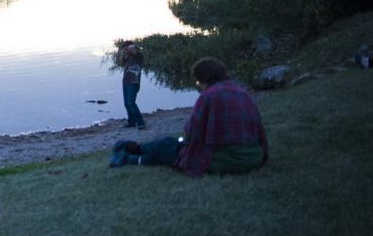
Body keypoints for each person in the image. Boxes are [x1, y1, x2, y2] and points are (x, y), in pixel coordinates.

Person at [110, 57, 268, 177]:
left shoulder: (209, 96)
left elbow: (192, 132)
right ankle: (134, 150)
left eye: (198, 81)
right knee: (171, 144)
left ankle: (129, 156)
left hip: (228, 159)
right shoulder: (242, 92)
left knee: (169, 148)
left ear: (203, 78)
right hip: (255, 156)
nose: (199, 85)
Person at [116, 43, 147, 129]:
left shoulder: (138, 56)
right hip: (126, 82)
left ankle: (141, 123)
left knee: (131, 102)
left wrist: (132, 49)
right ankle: (131, 122)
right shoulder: (127, 57)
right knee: (126, 103)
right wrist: (124, 53)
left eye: (130, 48)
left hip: (134, 82)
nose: (129, 50)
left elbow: (136, 52)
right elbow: (120, 63)